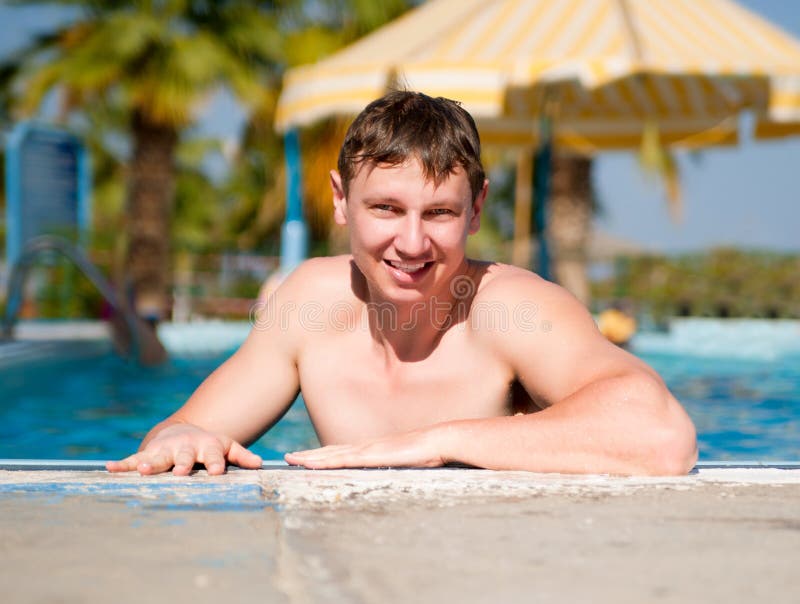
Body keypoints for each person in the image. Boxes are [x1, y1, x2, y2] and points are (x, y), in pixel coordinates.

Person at [107, 91, 697, 477]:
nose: (412, 244)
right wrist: (183, 436)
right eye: (386, 209)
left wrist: (438, 442)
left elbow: (661, 434)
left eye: (439, 213)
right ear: (341, 201)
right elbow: (181, 430)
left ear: (476, 210)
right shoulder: (311, 304)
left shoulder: (510, 309)